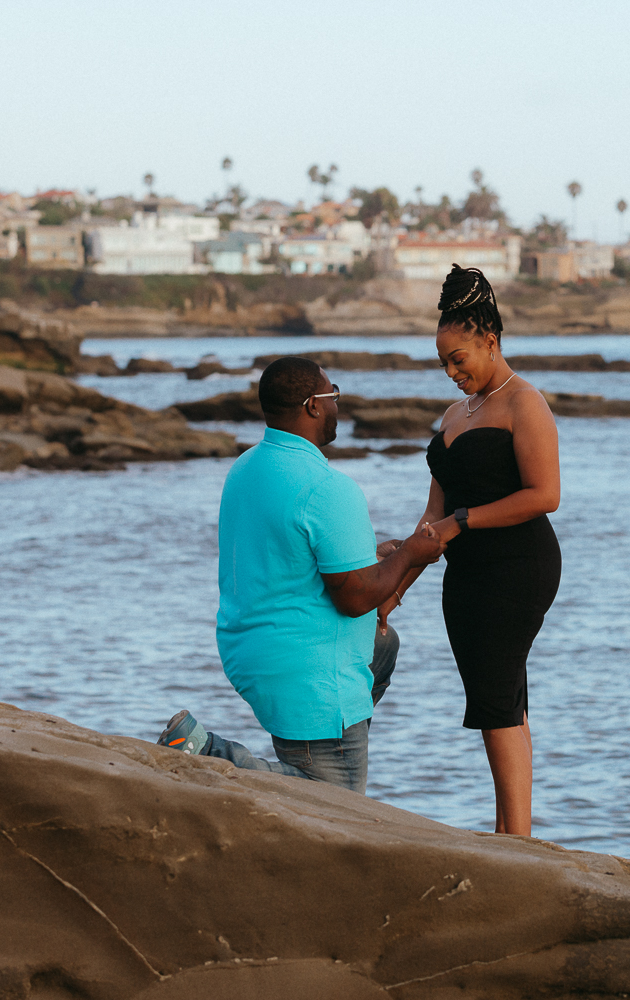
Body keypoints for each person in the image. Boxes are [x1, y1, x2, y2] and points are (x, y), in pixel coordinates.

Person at [158, 356, 445, 794]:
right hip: (302, 669)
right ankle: (207, 751)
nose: (337, 406)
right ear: (313, 405)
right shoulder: (328, 488)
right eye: (334, 395)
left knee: (382, 645)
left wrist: (378, 555)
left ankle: (334, 737)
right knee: (334, 804)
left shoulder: (246, 467)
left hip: (247, 647)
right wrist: (410, 555)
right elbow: (354, 598)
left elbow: (289, 557)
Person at [388, 265, 562, 835]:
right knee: (502, 696)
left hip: (517, 567)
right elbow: (432, 519)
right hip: (465, 576)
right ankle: (513, 832)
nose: (451, 371)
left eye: (459, 357)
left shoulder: (524, 403)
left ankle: (514, 841)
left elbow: (545, 495)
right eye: (443, 362)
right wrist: (396, 580)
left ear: (490, 340)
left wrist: (465, 522)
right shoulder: (453, 416)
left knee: (494, 695)